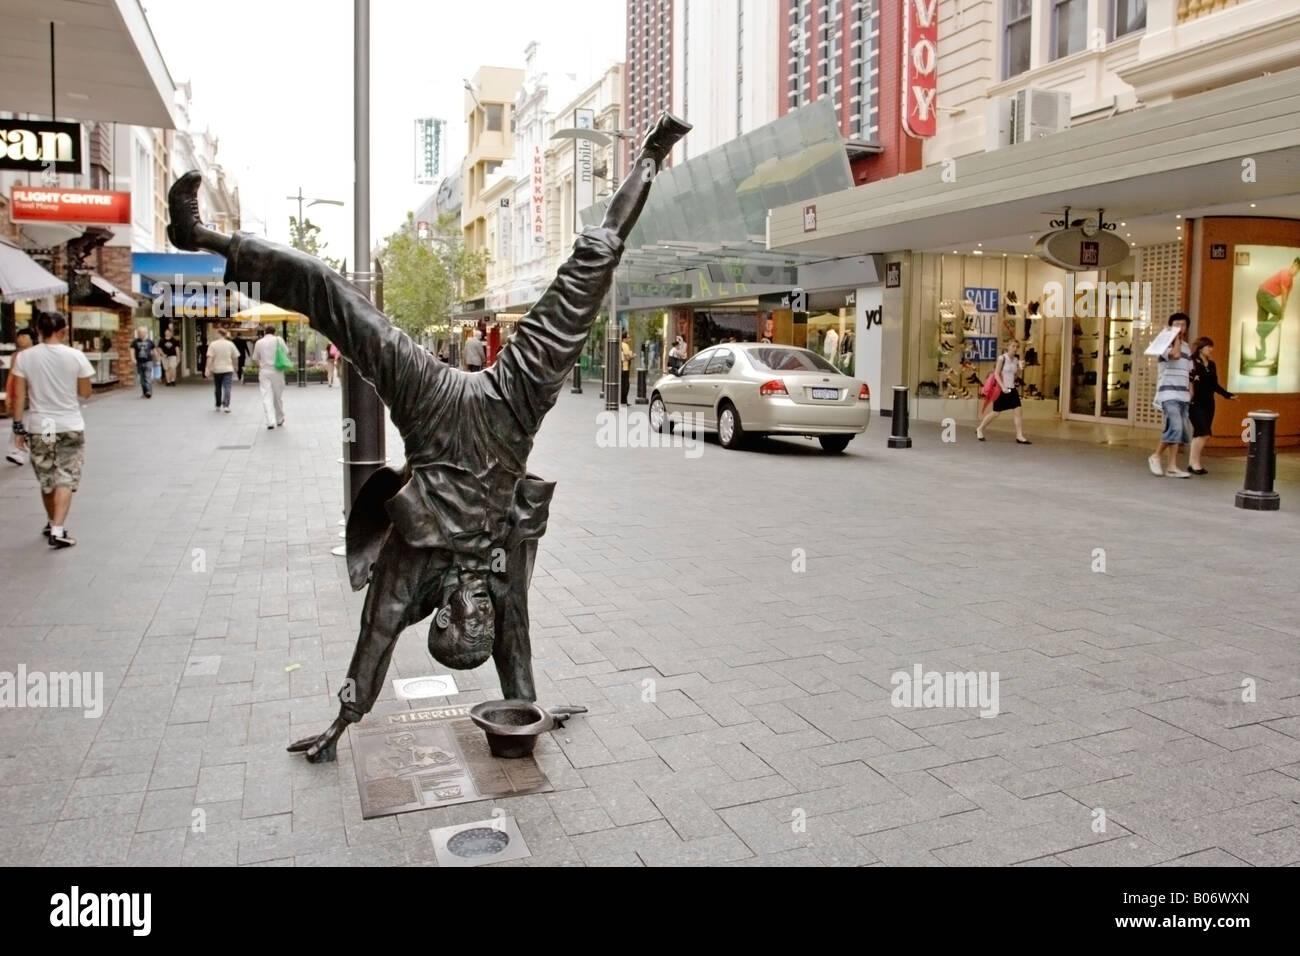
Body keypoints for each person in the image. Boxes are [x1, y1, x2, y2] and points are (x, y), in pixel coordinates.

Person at [167, 111, 689, 761]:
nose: (472, 607)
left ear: (441, 614)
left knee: (336, 301)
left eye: (458, 617)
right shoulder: (499, 581)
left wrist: (342, 720)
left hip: (432, 410)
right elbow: (518, 653)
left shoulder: (412, 570)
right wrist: (533, 710)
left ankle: (201, 236)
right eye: (480, 619)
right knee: (590, 267)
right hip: (509, 411)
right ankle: (651, 158)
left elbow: (377, 631)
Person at [10, 312, 94, 549]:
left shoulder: (25, 358)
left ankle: (51, 521)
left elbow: (19, 395)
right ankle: (57, 529)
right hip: (69, 424)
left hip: (42, 426)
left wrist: (18, 427)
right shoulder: (76, 356)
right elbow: (86, 393)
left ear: (38, 331)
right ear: (63, 330)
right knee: (66, 475)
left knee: (47, 477)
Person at [1149, 312, 1193, 478]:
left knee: (1179, 430)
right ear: (1170, 327)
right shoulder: (1163, 345)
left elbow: (1189, 370)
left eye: (1183, 325)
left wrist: (1190, 390)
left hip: (1183, 394)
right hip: (1168, 393)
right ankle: (1156, 455)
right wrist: (1174, 338)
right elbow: (1174, 355)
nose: (1180, 328)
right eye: (1176, 325)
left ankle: (1172, 466)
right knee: (1176, 427)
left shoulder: (1187, 347)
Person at [1188, 336, 1235, 475]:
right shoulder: (1192, 362)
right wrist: (1189, 395)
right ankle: (1195, 462)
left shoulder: (1212, 364)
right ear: (1201, 348)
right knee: (1204, 432)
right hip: (1195, 402)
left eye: (1211, 347)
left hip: (1209, 402)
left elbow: (1214, 385)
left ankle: (1193, 462)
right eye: (1208, 347)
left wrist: (1227, 394)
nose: (1211, 349)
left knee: (1200, 433)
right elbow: (1188, 380)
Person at [1244, 257, 1299, 374]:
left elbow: (1287, 298)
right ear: (1293, 264)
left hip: (1262, 295)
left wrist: (1282, 312)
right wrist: (1282, 314)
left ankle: (1260, 359)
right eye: (1296, 268)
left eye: (1298, 271)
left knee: (1262, 325)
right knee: (1273, 318)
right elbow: (1284, 294)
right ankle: (1259, 333)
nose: (1296, 272)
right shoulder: (1285, 274)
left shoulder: (1291, 282)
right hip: (1264, 295)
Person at [976, 339, 1031, 444]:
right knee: (996, 412)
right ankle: (980, 428)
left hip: (1012, 389)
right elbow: (996, 374)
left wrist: (1020, 369)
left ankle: (1019, 435)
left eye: (1017, 347)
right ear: (1008, 347)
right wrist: (1003, 387)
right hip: (1002, 389)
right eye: (1013, 346)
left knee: (1018, 411)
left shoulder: (1015, 360)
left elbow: (1014, 377)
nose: (1015, 349)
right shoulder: (1002, 358)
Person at [5, 328, 35, 465]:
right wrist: (8, 395)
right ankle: (15, 451)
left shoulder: (38, 354)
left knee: (44, 423)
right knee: (18, 422)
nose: (20, 339)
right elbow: (11, 376)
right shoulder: (16, 356)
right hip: (21, 395)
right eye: (19, 336)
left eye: (24, 336)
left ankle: (46, 449)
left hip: (38, 395)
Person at [250, 325, 288, 429]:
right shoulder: (279, 340)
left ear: (264, 332)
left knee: (266, 396)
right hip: (278, 371)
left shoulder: (259, 342)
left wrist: (261, 364)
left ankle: (270, 421)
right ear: (274, 332)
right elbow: (286, 352)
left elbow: (255, 358)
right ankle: (280, 418)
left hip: (264, 371)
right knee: (278, 396)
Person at [205, 327, 240, 413]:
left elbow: (210, 357)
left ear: (219, 334)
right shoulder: (230, 344)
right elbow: (235, 357)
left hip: (217, 369)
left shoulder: (213, 344)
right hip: (228, 369)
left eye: (216, 333)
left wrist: (207, 369)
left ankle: (218, 405)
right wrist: (235, 366)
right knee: (227, 387)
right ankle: (226, 406)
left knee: (218, 387)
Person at [130, 326, 158, 398]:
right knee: (142, 378)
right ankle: (144, 392)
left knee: (147, 376)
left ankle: (149, 391)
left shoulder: (150, 342)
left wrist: (157, 359)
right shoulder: (135, 342)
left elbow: (154, 351)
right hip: (139, 362)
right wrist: (133, 358)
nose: (141, 334)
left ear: (146, 333)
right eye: (139, 332)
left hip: (148, 361)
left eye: (142, 332)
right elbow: (132, 350)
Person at [620, 330, 633, 404]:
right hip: (625, 368)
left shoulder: (621, 344)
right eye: (628, 337)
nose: (629, 339)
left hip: (622, 368)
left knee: (624, 384)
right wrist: (633, 356)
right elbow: (627, 357)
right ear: (624, 338)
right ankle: (623, 401)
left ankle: (623, 400)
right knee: (626, 385)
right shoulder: (625, 345)